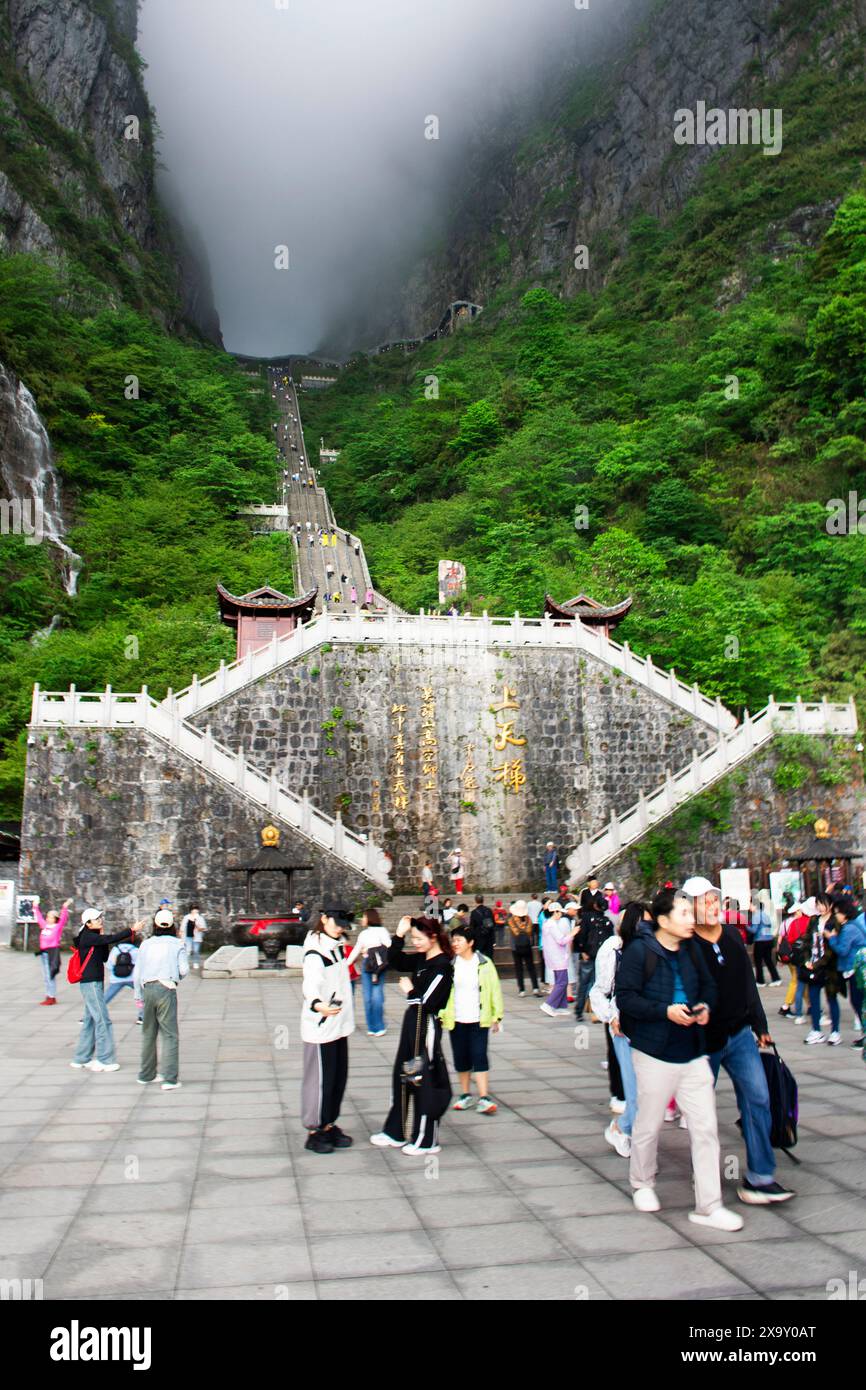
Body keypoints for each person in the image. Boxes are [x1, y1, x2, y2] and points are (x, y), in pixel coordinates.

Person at [617, 888, 743, 1231]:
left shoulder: (691, 950)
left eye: (691, 912)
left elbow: (708, 988)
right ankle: (642, 1182)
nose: (691, 919)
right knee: (649, 1122)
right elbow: (626, 998)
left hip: (693, 1051)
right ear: (663, 920)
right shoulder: (638, 951)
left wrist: (704, 1008)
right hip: (654, 1051)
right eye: (684, 913)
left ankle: (709, 1205)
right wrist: (664, 1011)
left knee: (705, 1128)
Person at [682, 876, 795, 1205]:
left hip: (740, 1034)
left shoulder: (731, 936)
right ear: (691, 906)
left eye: (715, 899)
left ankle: (760, 1176)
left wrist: (759, 1024)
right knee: (702, 1111)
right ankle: (702, 1172)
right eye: (705, 901)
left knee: (758, 1097)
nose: (713, 905)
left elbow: (748, 985)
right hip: (704, 1041)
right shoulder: (687, 946)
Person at [370, 916, 454, 1155]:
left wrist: (410, 990)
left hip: (425, 1025)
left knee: (422, 1078)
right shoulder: (422, 958)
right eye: (413, 938)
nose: (415, 943)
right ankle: (396, 1131)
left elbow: (428, 1002)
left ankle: (426, 1139)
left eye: (419, 939)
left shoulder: (442, 966)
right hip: (411, 1022)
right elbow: (394, 960)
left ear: (433, 937)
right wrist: (399, 934)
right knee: (402, 1075)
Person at [590, 901, 649, 1157]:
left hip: (652, 1024)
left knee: (651, 1091)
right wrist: (611, 1017)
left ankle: (628, 1127)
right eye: (642, 923)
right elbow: (600, 990)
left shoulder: (656, 948)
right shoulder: (613, 949)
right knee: (635, 1090)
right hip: (625, 1028)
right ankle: (623, 1128)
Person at [300, 908, 356, 1153]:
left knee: (337, 1077)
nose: (340, 928)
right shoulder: (316, 950)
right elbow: (311, 982)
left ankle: (329, 1123)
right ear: (324, 919)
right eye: (337, 923)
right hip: (321, 1025)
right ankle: (314, 1130)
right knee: (319, 1081)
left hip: (339, 1022)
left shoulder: (337, 945)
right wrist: (316, 1003)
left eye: (343, 924)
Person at [441, 922, 503, 1114]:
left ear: (471, 942)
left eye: (459, 940)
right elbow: (443, 993)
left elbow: (495, 990)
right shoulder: (450, 964)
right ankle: (465, 1094)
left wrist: (497, 1016)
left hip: (479, 1018)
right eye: (454, 941)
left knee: (479, 1055)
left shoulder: (484, 963)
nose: (455, 944)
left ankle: (484, 1096)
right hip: (456, 1018)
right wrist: (442, 1015)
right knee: (461, 1057)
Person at [70, 909, 143, 1072]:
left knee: (90, 1020)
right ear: (88, 923)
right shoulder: (87, 936)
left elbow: (103, 956)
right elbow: (112, 939)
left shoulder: (92, 936)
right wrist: (131, 931)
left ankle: (81, 1058)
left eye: (100, 917)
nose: (100, 920)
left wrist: (101, 935)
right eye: (96, 919)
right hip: (90, 983)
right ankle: (105, 1059)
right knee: (103, 1020)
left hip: (94, 982)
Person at [134, 910, 189, 1090]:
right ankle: (170, 1079)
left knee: (148, 1033)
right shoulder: (177, 944)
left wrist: (138, 995)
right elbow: (184, 970)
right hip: (167, 987)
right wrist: (174, 978)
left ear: (155, 925)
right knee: (170, 1035)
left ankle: (146, 1074)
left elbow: (138, 972)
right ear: (172, 925)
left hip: (148, 988)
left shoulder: (146, 944)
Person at [795, 893, 842, 1044]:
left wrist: (815, 964)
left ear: (830, 905)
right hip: (812, 965)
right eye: (818, 904)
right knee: (814, 998)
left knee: (832, 998)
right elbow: (807, 940)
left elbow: (832, 950)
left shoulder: (834, 922)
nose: (820, 907)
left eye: (823, 904)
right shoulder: (814, 920)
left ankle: (835, 1032)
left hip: (829, 968)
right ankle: (816, 1030)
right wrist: (807, 960)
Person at [346, 908, 391, 1036]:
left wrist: (371, 949)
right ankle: (375, 1026)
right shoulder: (369, 933)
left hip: (374, 964)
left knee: (372, 996)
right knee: (372, 995)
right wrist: (347, 964)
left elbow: (388, 945)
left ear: (370, 918)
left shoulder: (374, 932)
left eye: (364, 917)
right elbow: (356, 950)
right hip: (373, 965)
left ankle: (376, 1026)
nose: (362, 920)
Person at [574, 895, 612, 1020]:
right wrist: (582, 951)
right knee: (588, 983)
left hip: (598, 955)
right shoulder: (589, 918)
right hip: (591, 954)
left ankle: (594, 1011)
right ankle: (580, 1010)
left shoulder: (605, 920)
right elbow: (581, 935)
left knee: (596, 984)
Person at [540, 904, 579, 1016]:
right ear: (555, 912)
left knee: (561, 981)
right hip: (558, 957)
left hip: (553, 957)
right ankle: (549, 1004)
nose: (561, 914)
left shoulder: (547, 923)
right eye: (559, 912)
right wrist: (573, 933)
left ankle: (560, 1006)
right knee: (562, 983)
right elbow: (561, 940)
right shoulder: (552, 925)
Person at [34, 898, 72, 1005]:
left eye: (51, 917)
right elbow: (39, 918)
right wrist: (35, 907)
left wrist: (65, 907)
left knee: (50, 975)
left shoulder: (57, 927)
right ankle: (49, 994)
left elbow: (63, 918)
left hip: (52, 953)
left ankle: (51, 996)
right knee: (45, 976)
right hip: (44, 953)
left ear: (55, 919)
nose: (48, 919)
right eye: (48, 917)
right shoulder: (45, 926)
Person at [105, 939, 142, 1024]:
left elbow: (109, 965)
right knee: (140, 997)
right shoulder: (135, 949)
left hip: (116, 978)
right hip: (132, 978)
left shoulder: (115, 949)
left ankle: (93, 1015)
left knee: (106, 998)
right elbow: (140, 965)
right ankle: (142, 1016)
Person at [508, 900, 540, 996]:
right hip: (527, 945)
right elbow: (530, 932)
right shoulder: (528, 919)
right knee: (531, 967)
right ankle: (535, 987)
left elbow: (515, 933)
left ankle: (522, 990)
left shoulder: (511, 920)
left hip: (515, 947)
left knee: (519, 969)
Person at [751, 894, 780, 986]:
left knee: (758, 961)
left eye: (751, 904)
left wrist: (746, 927)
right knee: (768, 960)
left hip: (760, 941)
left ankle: (760, 981)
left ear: (755, 905)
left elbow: (754, 930)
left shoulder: (756, 915)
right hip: (769, 939)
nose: (750, 906)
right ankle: (776, 978)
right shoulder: (765, 915)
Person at [469, 895, 496, 960]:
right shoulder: (489, 910)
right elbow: (493, 924)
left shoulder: (474, 912)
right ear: (483, 900)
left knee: (478, 958)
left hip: (478, 938)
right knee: (489, 957)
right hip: (489, 937)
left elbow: (472, 927)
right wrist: (493, 939)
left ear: (475, 901)